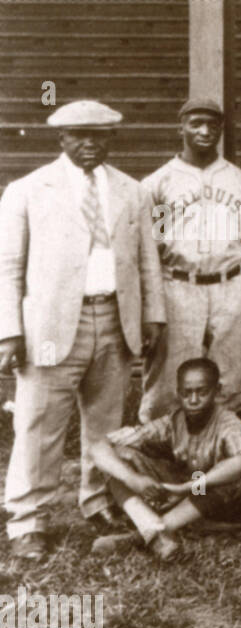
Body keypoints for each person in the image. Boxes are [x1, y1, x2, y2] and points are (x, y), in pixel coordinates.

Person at [0, 100, 166, 560]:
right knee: (39, 423)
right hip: (49, 328)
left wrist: (152, 316)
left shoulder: (132, 191)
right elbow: (7, 267)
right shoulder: (29, 190)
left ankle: (98, 501)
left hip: (114, 318)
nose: (90, 143)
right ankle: (28, 520)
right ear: (61, 138)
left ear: (111, 138)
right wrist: (9, 331)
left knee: (106, 424)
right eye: (79, 135)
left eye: (99, 135)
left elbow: (147, 262)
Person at [140, 98, 241, 421]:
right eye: (196, 123)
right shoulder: (159, 183)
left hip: (231, 283)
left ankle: (225, 446)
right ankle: (162, 447)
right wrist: (151, 307)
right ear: (180, 127)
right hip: (179, 284)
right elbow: (150, 252)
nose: (204, 130)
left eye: (213, 124)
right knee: (171, 373)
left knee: (232, 374)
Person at [89, 358, 241, 561]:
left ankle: (143, 535)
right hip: (181, 496)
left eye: (202, 392)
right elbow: (98, 447)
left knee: (232, 474)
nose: (193, 400)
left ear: (217, 391)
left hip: (215, 503)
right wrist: (133, 479)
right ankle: (154, 528)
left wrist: (188, 486)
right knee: (117, 457)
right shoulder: (173, 421)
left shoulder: (227, 422)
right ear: (178, 393)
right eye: (187, 393)